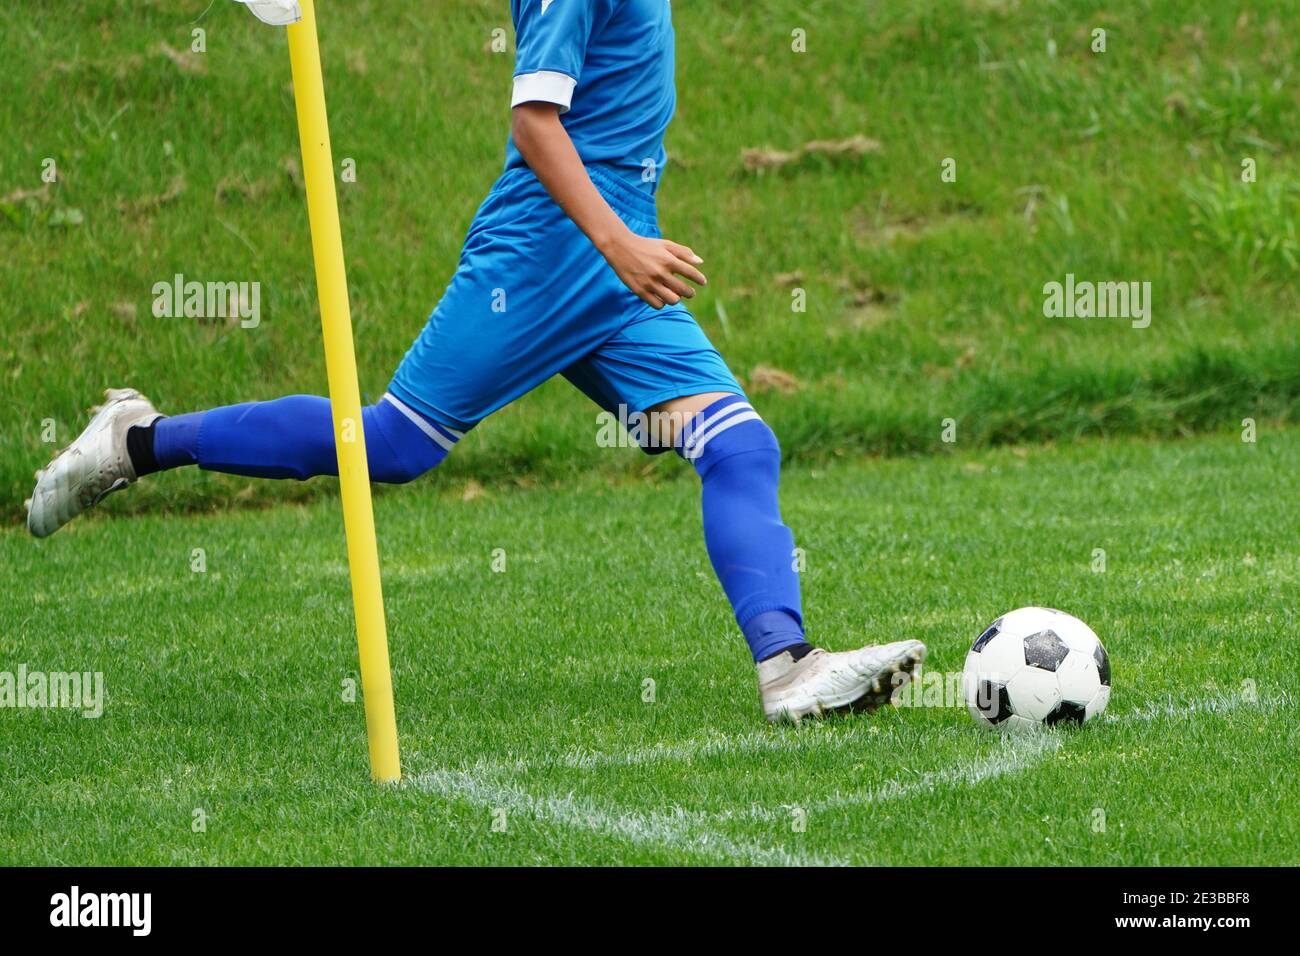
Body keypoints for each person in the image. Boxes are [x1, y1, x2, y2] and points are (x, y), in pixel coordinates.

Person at [26, 0, 924, 721]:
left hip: (613, 258)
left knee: (740, 446)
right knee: (392, 445)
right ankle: (137, 440)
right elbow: (535, 123)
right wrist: (619, 245)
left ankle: (789, 668)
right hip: (545, 256)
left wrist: (621, 245)